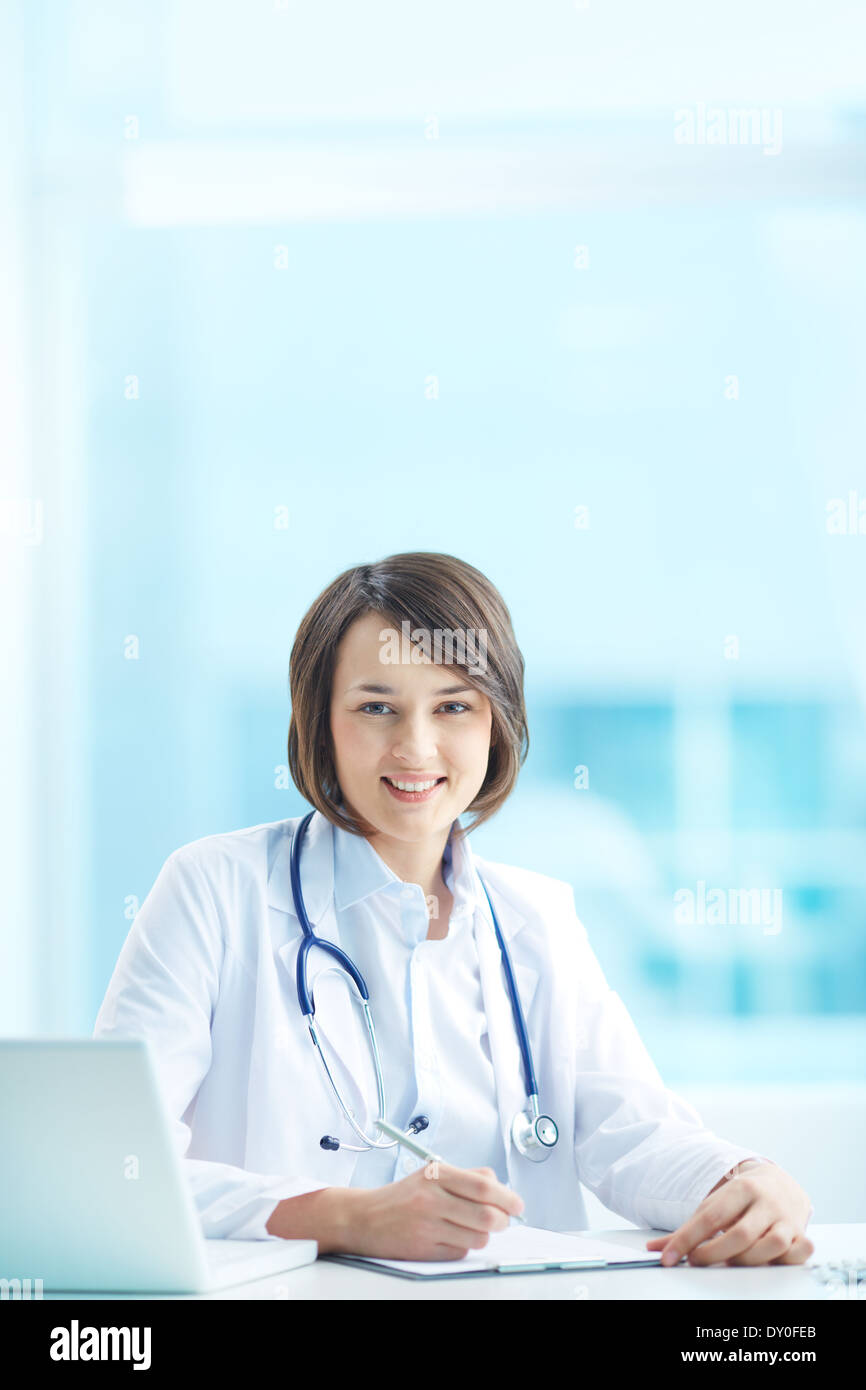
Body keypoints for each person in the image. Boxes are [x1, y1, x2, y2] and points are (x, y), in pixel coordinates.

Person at [93, 552, 814, 1266]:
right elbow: (116, 1167)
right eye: (376, 707)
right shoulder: (214, 890)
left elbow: (635, 1134)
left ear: (496, 723)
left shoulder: (538, 918)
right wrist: (346, 1217)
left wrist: (744, 1179)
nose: (416, 747)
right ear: (320, 723)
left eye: (454, 707)